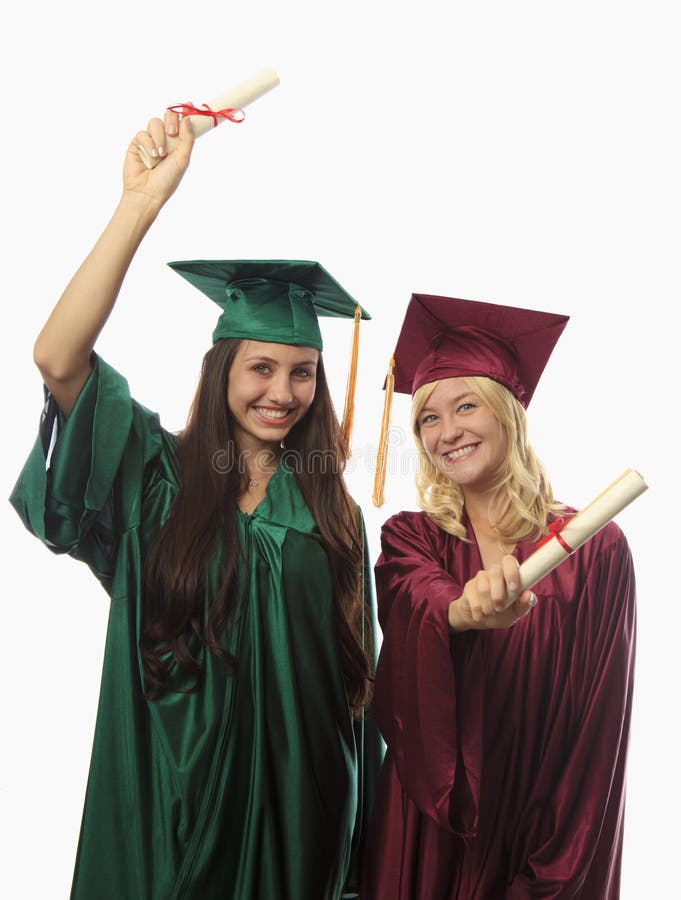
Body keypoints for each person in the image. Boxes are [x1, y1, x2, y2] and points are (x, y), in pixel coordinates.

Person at [10, 109, 381, 899]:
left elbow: (359, 691)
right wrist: (139, 205)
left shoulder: (335, 517)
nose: (281, 392)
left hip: (300, 824)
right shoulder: (156, 478)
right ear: (222, 371)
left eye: (302, 373)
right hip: (168, 805)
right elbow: (56, 356)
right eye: (260, 368)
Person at [361, 294, 636, 899]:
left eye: (466, 406)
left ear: (508, 415)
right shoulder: (412, 538)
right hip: (425, 835)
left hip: (541, 832)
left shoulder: (594, 549)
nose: (447, 431)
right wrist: (466, 611)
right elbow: (420, 603)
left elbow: (598, 736)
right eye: (428, 418)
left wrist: (551, 874)